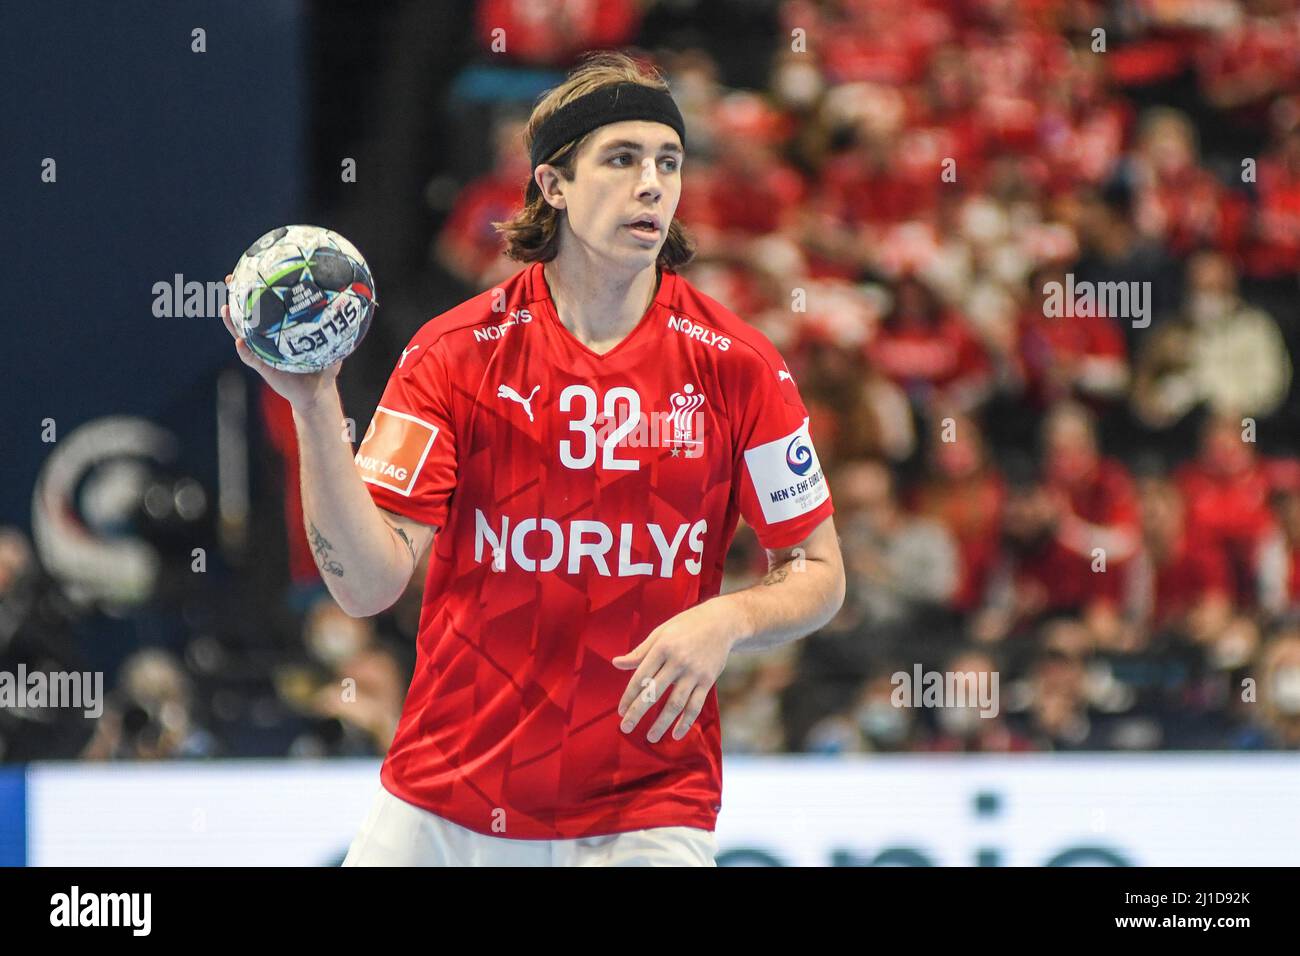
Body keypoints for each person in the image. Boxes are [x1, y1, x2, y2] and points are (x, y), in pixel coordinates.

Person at [219, 51, 843, 866]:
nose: (651, 183)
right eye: (621, 159)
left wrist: (728, 617)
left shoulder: (738, 364)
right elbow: (365, 586)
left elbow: (818, 570)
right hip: (445, 798)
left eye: (669, 161)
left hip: (645, 807)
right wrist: (312, 404)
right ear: (553, 184)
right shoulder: (452, 354)